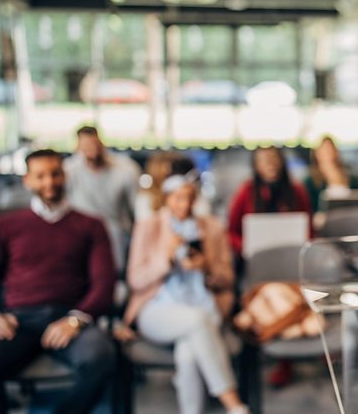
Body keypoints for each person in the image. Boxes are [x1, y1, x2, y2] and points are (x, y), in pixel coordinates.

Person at [0, 149, 117, 414]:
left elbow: (104, 285)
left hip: (71, 317)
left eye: (55, 174)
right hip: (18, 320)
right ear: (27, 180)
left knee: (101, 356)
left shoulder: (91, 225)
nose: (49, 182)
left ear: (66, 175)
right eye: (41, 176)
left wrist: (75, 320)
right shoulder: (5, 226)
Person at [119, 174, 249, 414]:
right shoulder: (150, 226)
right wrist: (166, 260)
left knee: (188, 353)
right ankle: (235, 405)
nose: (185, 205)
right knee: (196, 321)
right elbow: (135, 280)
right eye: (178, 199)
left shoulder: (211, 227)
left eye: (190, 198)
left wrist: (206, 267)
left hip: (204, 303)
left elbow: (228, 279)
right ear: (167, 199)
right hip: (157, 309)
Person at [65, 125, 141, 270]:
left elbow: (136, 209)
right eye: (85, 146)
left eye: (94, 144)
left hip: (115, 234)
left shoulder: (126, 169)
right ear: (77, 148)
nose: (91, 151)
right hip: (81, 236)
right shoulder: (68, 171)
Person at [227, 146, 312, 256]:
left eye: (273, 158)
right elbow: (231, 232)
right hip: (255, 259)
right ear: (256, 165)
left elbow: (309, 227)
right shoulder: (246, 191)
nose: (270, 163)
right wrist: (245, 247)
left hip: (291, 256)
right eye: (264, 159)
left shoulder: (297, 191)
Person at [303, 137, 358, 212]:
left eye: (330, 149)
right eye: (324, 150)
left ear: (336, 152)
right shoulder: (310, 181)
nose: (327, 153)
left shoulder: (353, 178)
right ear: (316, 153)